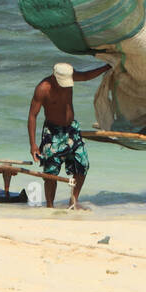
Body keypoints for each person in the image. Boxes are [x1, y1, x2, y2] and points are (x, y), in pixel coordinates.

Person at [26, 60, 110, 209]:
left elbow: (85, 76)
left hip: (71, 129)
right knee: (51, 172)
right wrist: (33, 145)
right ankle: (50, 207)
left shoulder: (69, 76)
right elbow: (33, 115)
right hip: (52, 132)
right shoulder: (43, 88)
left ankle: (73, 200)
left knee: (82, 164)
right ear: (54, 76)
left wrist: (106, 67)